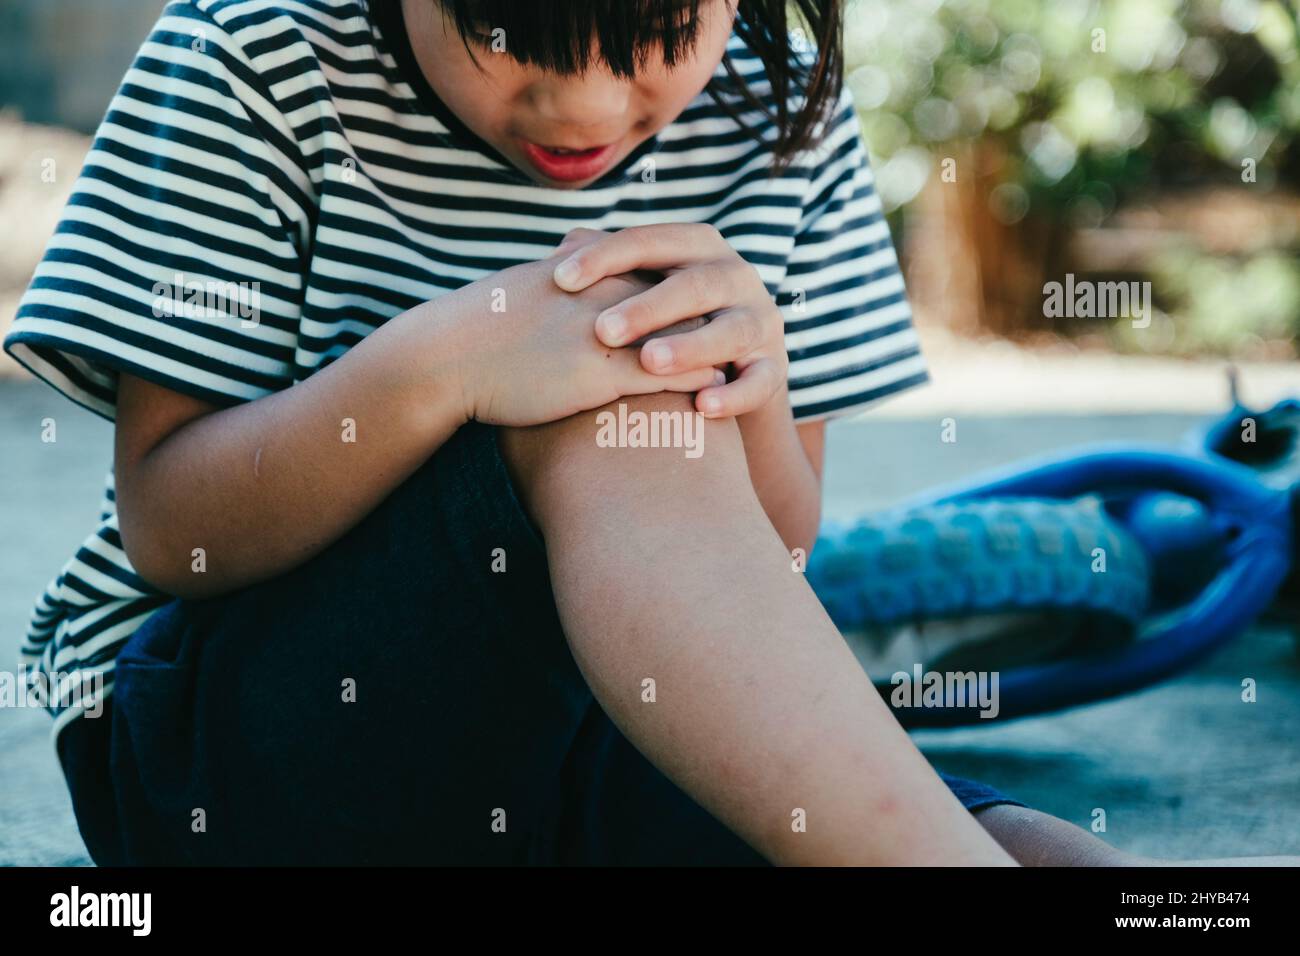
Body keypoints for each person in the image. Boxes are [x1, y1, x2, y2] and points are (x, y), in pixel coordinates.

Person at [5, 0, 1292, 866]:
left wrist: (759, 385)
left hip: (586, 733)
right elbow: (174, 529)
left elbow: (765, 561)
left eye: (658, 38)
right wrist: (449, 362)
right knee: (616, 413)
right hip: (226, 751)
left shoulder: (778, 103)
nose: (587, 106)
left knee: (1034, 848)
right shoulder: (254, 57)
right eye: (516, 35)